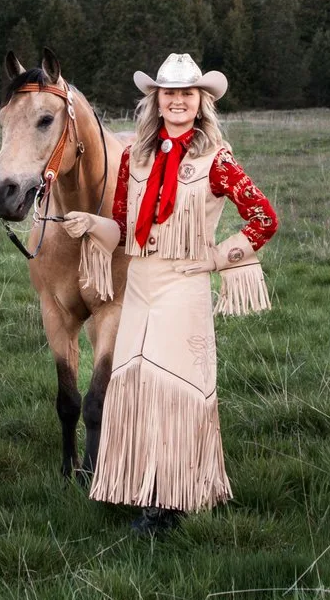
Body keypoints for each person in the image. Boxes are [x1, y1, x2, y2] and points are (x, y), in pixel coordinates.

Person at [60, 52, 278, 535]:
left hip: (183, 288)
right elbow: (121, 227)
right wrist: (89, 223)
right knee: (136, 385)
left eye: (186, 94)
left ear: (200, 103)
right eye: (168, 93)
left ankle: (172, 502)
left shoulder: (215, 161)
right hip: (140, 285)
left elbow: (264, 218)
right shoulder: (137, 160)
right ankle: (141, 484)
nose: (177, 101)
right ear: (155, 101)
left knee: (174, 390)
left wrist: (220, 258)